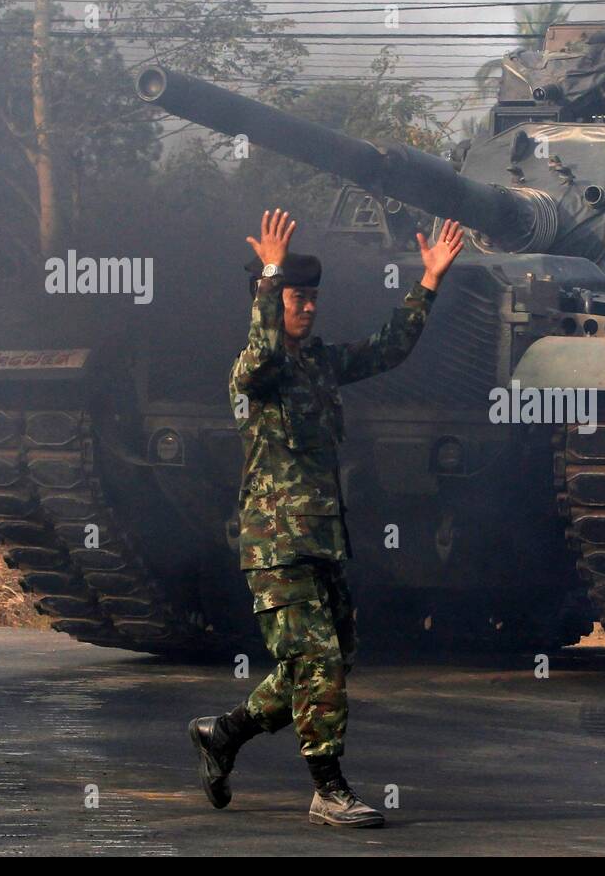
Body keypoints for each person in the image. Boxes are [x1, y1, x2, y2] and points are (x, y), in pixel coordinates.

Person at [189, 208, 463, 827]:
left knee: (323, 666)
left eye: (312, 299)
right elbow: (260, 354)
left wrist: (429, 283)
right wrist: (269, 271)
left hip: (321, 541)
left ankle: (223, 734)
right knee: (317, 665)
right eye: (295, 298)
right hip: (275, 548)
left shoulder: (319, 364)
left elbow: (388, 348)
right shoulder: (253, 374)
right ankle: (327, 788)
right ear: (267, 301)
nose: (307, 309)